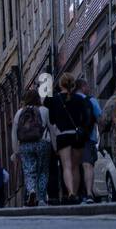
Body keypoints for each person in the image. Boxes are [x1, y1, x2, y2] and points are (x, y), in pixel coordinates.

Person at [46, 72, 94, 204]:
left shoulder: (55, 100)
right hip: (76, 135)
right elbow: (85, 118)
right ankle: (77, 193)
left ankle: (71, 192)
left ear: (60, 84)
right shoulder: (79, 99)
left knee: (66, 166)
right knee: (75, 166)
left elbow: (51, 119)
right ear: (73, 84)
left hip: (62, 136)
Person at [11, 85, 51, 206]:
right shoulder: (44, 110)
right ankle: (42, 198)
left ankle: (32, 190)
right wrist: (54, 144)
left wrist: (15, 151)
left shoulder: (19, 113)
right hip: (42, 143)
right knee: (43, 171)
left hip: (25, 145)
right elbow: (51, 128)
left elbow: (14, 133)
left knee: (29, 171)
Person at [75, 77, 102, 204]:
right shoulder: (91, 100)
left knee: (72, 167)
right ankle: (89, 194)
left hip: (71, 140)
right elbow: (100, 119)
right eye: (87, 86)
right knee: (88, 166)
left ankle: (74, 195)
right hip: (88, 138)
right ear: (83, 87)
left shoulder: (68, 101)